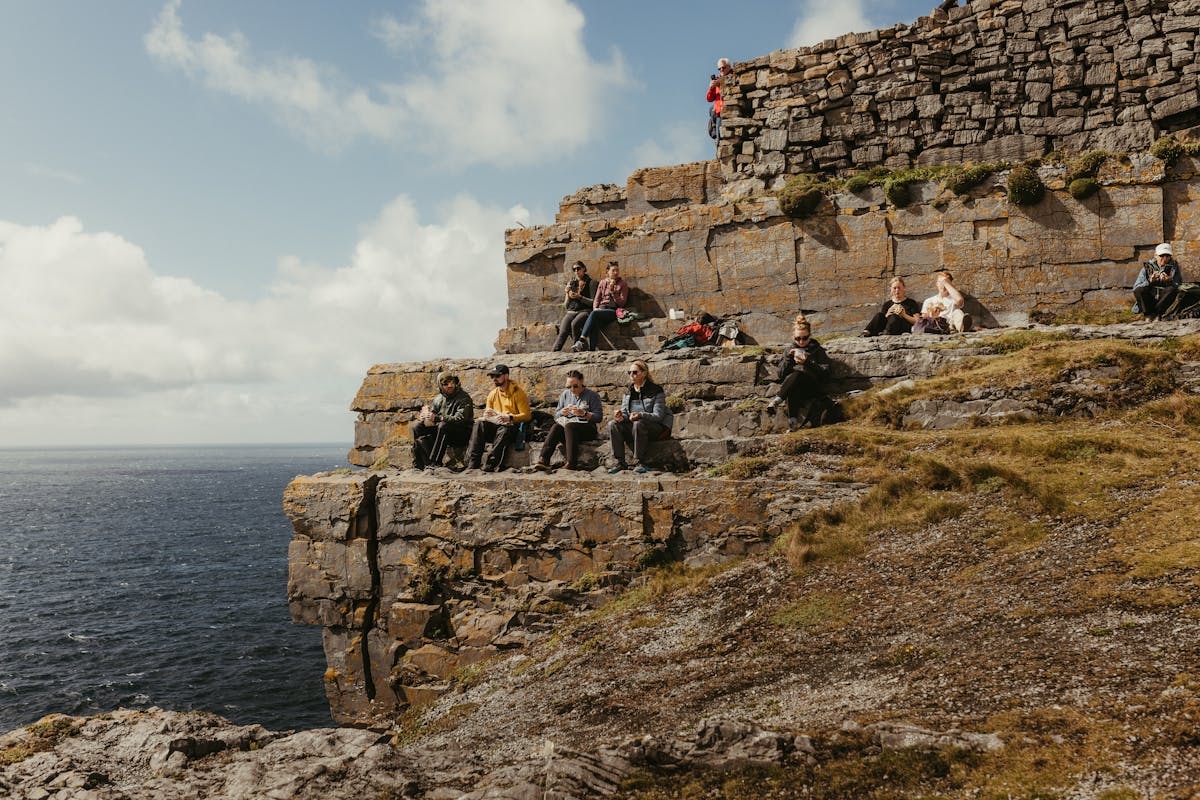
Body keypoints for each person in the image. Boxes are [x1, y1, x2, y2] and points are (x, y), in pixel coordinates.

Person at [608, 360, 673, 474]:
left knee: (639, 423)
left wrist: (640, 415)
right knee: (612, 424)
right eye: (629, 372)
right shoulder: (628, 391)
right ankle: (620, 462)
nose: (631, 375)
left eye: (634, 372)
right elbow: (625, 413)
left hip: (653, 427)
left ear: (644, 373)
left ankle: (639, 462)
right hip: (634, 427)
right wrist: (620, 416)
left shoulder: (656, 390)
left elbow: (658, 415)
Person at [531, 370, 604, 472]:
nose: (572, 389)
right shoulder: (565, 394)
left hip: (587, 429)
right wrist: (562, 412)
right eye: (569, 387)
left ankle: (571, 462)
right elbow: (556, 414)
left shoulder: (592, 395)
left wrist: (584, 413)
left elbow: (599, 417)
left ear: (582, 381)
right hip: (569, 430)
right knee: (556, 427)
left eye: (575, 386)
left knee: (570, 426)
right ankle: (543, 459)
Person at [768, 315, 833, 428]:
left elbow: (825, 373)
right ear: (793, 337)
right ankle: (792, 422)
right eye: (798, 338)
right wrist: (789, 358)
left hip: (813, 387)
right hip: (794, 387)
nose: (801, 341)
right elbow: (780, 375)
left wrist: (807, 362)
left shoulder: (817, 349)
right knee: (795, 379)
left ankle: (777, 401)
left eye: (805, 338)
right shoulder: (789, 350)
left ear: (810, 336)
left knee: (799, 373)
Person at [465, 364, 532, 472]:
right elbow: (487, 412)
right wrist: (487, 415)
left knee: (504, 429)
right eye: (492, 376)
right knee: (479, 424)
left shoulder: (518, 393)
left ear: (506, 376)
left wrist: (510, 417)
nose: (494, 379)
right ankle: (473, 463)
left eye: (497, 376)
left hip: (512, 428)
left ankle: (491, 464)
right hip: (495, 426)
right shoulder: (492, 394)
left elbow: (527, 415)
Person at [410, 372, 474, 470]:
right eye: (446, 384)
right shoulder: (438, 399)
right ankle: (422, 462)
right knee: (417, 426)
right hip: (444, 432)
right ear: (441, 386)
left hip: (462, 433)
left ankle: (436, 462)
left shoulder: (464, 397)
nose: (450, 386)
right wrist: (424, 417)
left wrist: (439, 418)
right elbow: (433, 415)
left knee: (443, 426)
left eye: (452, 382)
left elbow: (460, 418)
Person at [572, 262, 629, 352]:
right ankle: (591, 350)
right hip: (601, 310)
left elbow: (622, 303)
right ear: (608, 271)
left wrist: (613, 292)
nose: (616, 272)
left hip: (612, 310)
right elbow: (597, 299)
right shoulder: (603, 282)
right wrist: (595, 308)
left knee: (594, 314)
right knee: (595, 323)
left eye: (617, 270)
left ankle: (581, 341)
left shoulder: (622, 284)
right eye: (613, 270)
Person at [1133, 243, 1183, 322]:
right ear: (1155, 255)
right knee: (1139, 290)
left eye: (1168, 256)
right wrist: (1149, 281)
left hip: (1164, 300)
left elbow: (1179, 285)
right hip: (1150, 299)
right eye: (1162, 256)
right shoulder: (1146, 269)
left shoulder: (1174, 268)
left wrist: (1170, 281)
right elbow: (1136, 287)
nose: (1165, 259)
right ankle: (1148, 315)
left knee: (1172, 289)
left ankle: (1158, 314)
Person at [552, 262, 596, 351]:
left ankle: (577, 350)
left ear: (583, 268)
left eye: (578, 268)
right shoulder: (572, 283)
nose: (576, 271)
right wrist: (567, 294)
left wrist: (580, 297)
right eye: (574, 269)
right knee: (563, 331)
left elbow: (593, 302)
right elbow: (566, 305)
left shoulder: (592, 283)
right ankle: (553, 352)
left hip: (585, 311)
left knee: (574, 324)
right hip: (571, 311)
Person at [707, 58, 734, 149]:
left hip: (730, 112)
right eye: (719, 69)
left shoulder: (734, 76)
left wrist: (720, 83)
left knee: (729, 140)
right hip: (719, 114)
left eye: (723, 67)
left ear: (729, 67)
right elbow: (709, 98)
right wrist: (711, 88)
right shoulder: (717, 80)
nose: (721, 70)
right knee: (720, 141)